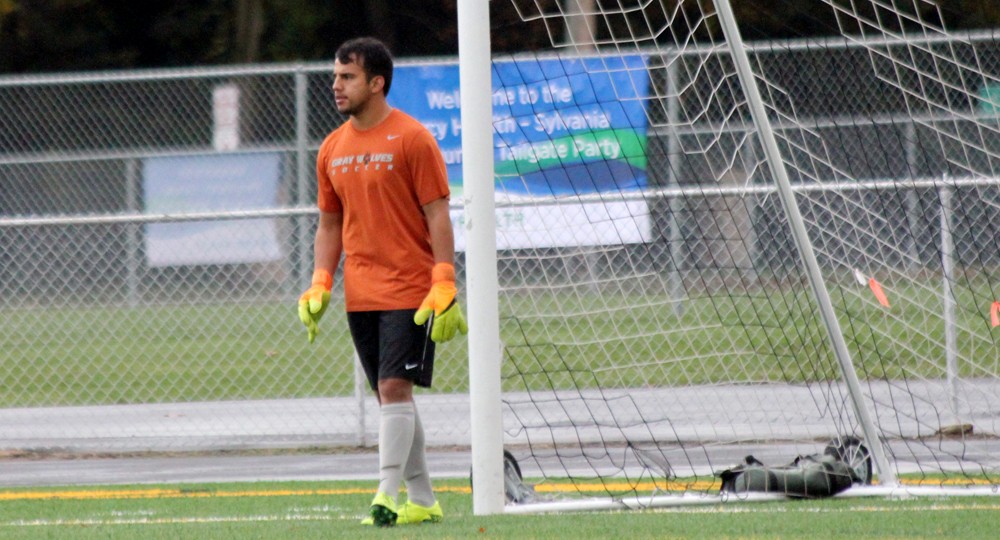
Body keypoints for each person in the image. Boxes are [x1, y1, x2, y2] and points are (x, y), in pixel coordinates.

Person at [297, 36, 467, 527]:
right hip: (362, 292)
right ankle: (424, 498)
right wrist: (321, 282)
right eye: (334, 76)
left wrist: (444, 278)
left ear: (377, 82)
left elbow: (438, 214)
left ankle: (386, 495)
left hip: (412, 290)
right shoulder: (331, 148)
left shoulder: (412, 138)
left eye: (347, 77)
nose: (336, 85)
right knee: (391, 396)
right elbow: (329, 224)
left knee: (394, 388)